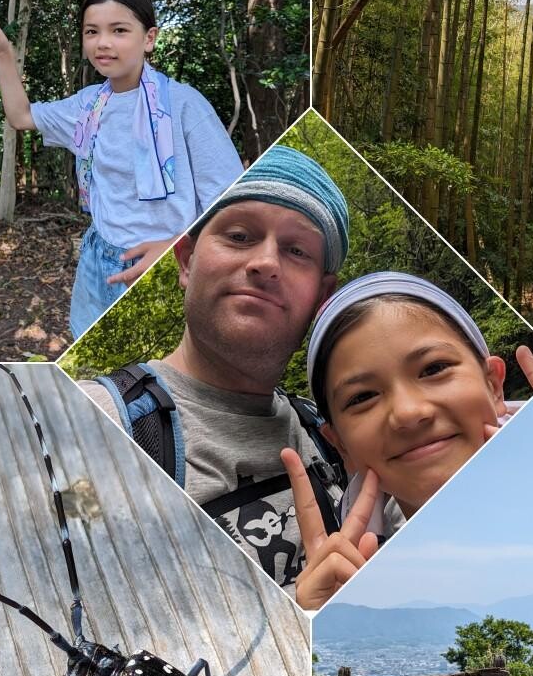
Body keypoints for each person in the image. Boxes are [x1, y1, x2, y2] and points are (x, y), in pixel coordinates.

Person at [81, 145, 350, 598]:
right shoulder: (98, 425)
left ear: (322, 295)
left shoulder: (335, 437)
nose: (265, 263)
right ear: (186, 260)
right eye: (240, 236)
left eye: (297, 250)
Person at [0, 0, 243, 339]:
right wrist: (3, 52)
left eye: (119, 31)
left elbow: (233, 198)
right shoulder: (87, 106)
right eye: (92, 32)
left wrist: (177, 245)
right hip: (99, 258)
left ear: (149, 38)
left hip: (164, 265)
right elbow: (21, 116)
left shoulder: (183, 105)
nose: (103, 43)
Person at [281, 272, 533, 610]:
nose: (408, 412)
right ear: (340, 446)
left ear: (493, 385)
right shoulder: (359, 572)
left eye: (433, 368)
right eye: (362, 397)